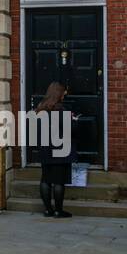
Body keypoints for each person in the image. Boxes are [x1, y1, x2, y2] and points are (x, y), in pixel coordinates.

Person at [33, 81, 77, 218]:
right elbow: (70, 130)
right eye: (64, 92)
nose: (65, 94)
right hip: (60, 149)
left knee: (45, 179)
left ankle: (47, 210)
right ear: (59, 93)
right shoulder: (61, 110)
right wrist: (74, 120)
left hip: (45, 148)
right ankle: (58, 210)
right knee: (59, 181)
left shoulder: (40, 108)